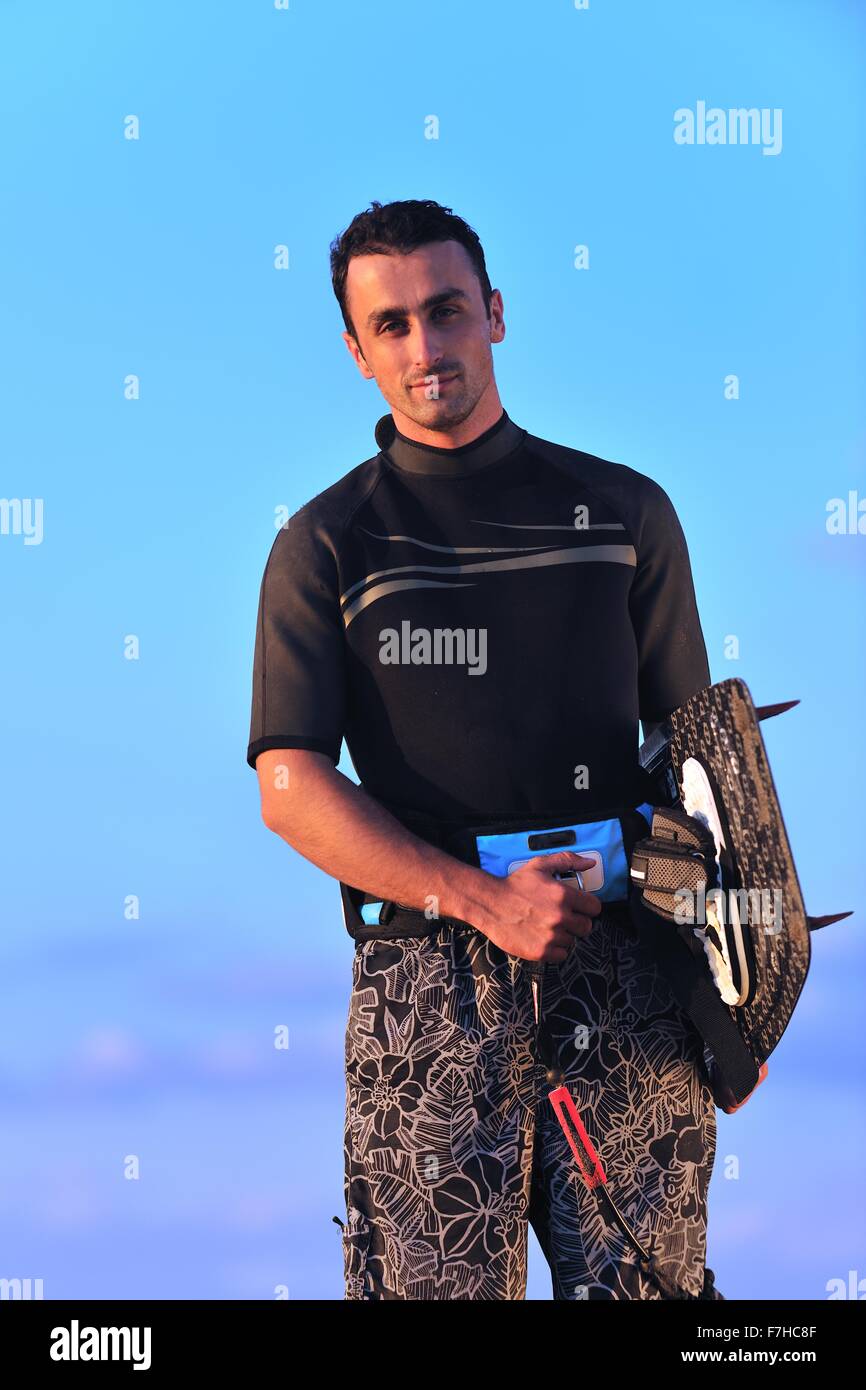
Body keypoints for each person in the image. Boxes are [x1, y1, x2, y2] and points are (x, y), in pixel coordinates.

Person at [247, 198, 720, 1300]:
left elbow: (706, 766)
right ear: (356, 352)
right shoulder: (324, 544)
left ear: (494, 314)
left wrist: (733, 999)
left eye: (446, 310)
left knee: (650, 1294)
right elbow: (289, 785)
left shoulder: (619, 514)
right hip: (429, 986)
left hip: (630, 975)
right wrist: (476, 897)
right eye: (393, 325)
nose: (426, 346)